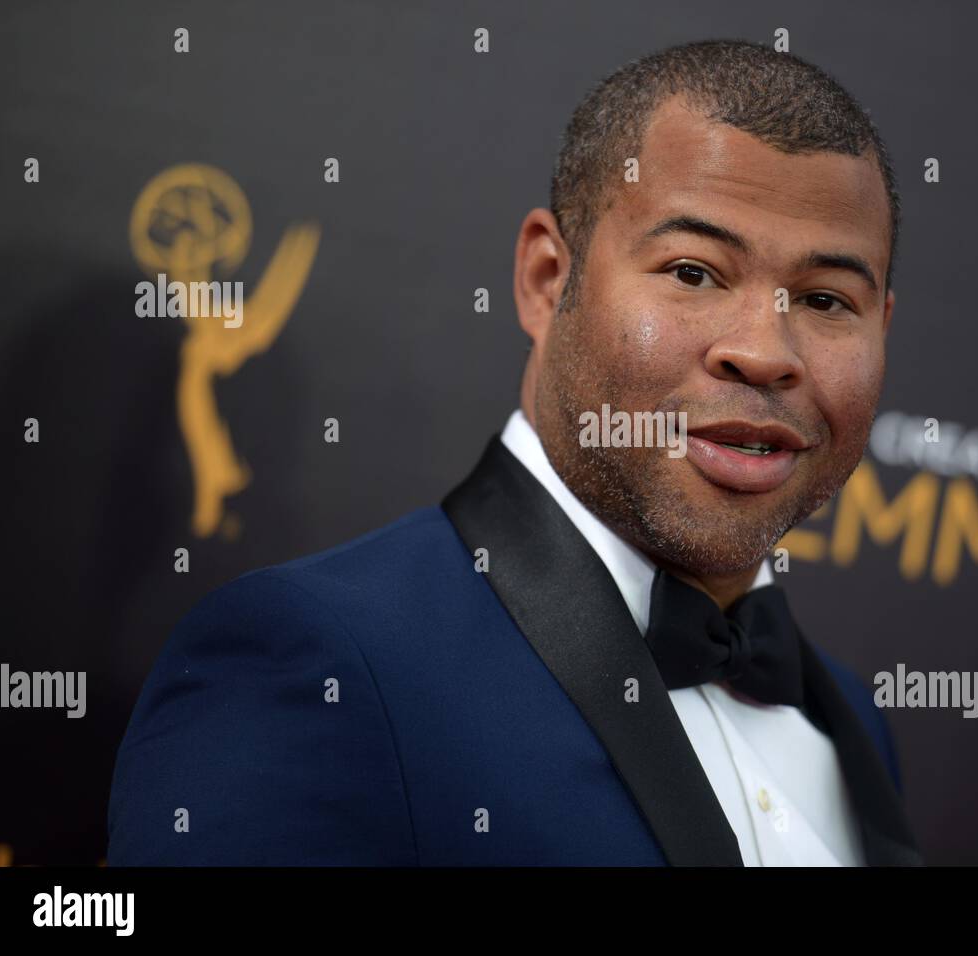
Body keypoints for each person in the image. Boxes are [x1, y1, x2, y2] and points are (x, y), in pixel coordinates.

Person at [108, 39, 921, 867]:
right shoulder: (317, 660)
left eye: (825, 300)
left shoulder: (851, 720)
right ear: (545, 279)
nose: (763, 351)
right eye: (693, 273)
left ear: (882, 329)